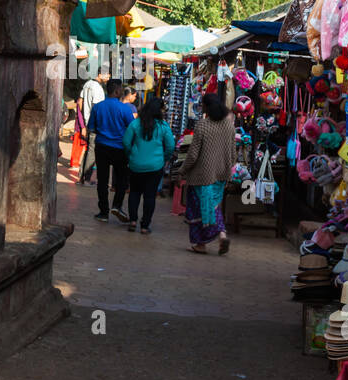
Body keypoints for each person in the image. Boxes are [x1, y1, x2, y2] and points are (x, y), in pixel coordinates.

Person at [179, 92, 236, 254]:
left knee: (200, 209)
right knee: (213, 206)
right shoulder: (229, 126)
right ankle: (222, 234)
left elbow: (193, 155)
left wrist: (182, 171)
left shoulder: (202, 125)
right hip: (221, 176)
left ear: (207, 107)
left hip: (201, 176)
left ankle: (201, 244)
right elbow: (232, 154)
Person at [122, 96, 175, 234]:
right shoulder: (163, 126)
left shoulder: (135, 123)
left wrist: (130, 156)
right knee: (150, 196)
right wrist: (164, 158)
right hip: (155, 166)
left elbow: (126, 142)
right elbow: (170, 146)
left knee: (134, 193)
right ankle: (145, 226)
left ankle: (133, 221)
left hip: (135, 165)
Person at [87, 78, 136, 222]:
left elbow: (91, 128)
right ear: (117, 90)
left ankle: (103, 212)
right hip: (120, 148)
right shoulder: (125, 108)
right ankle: (117, 205)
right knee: (121, 179)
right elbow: (132, 127)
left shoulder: (98, 107)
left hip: (102, 146)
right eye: (121, 89)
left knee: (102, 180)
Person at [75, 70, 108, 185]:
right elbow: (96, 108)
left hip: (87, 122)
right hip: (94, 124)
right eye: (106, 74)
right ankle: (87, 179)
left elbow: (80, 102)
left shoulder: (87, 84)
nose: (108, 76)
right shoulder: (98, 89)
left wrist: (83, 123)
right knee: (92, 152)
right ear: (99, 74)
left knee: (88, 150)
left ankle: (81, 178)